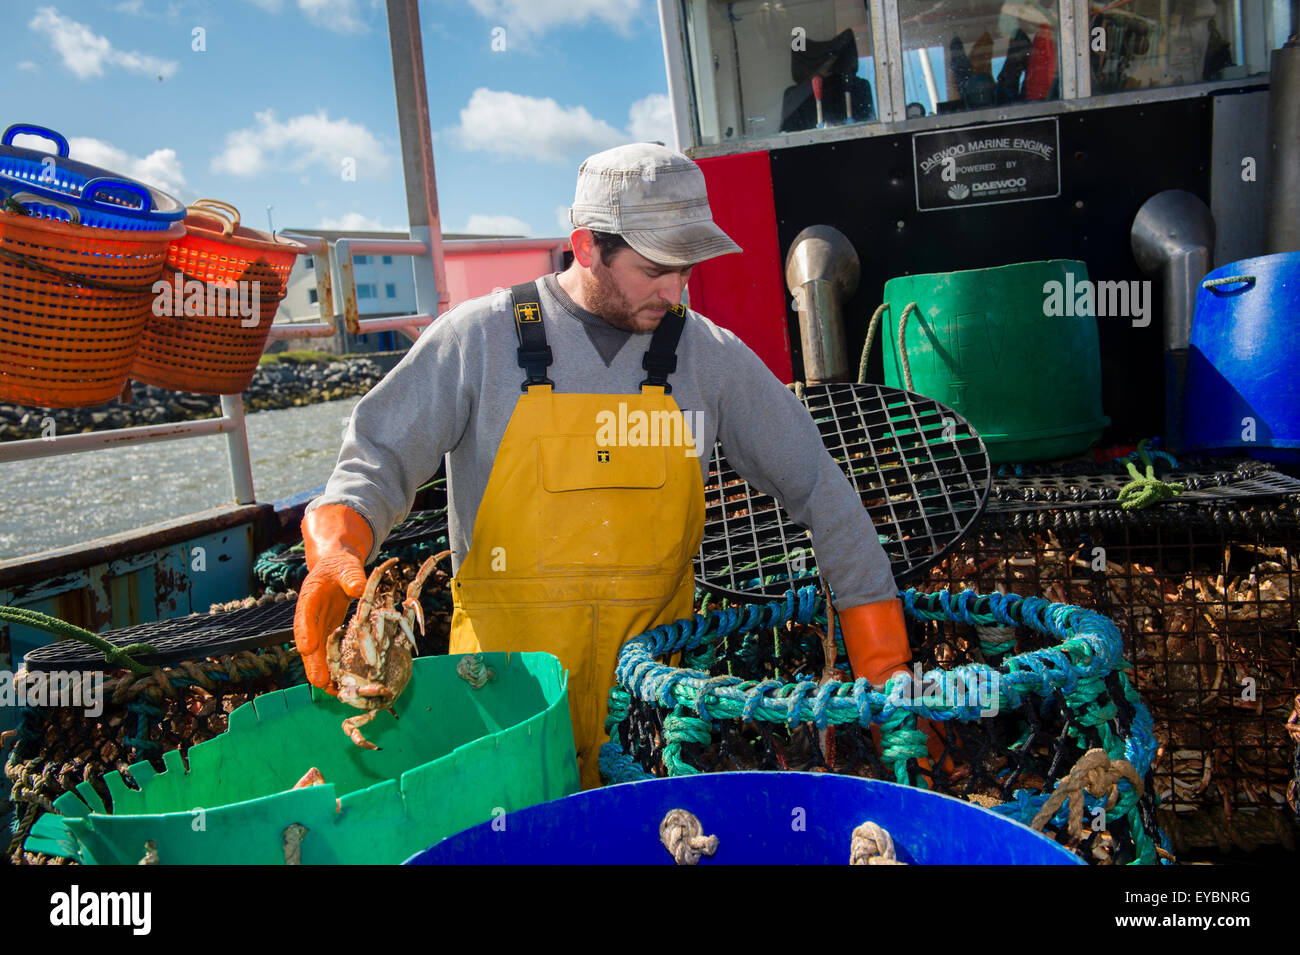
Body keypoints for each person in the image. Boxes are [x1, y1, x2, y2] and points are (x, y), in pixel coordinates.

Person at [293, 143, 912, 789]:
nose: (675, 292)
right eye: (653, 270)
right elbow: (376, 459)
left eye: (685, 270)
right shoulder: (478, 340)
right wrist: (338, 544)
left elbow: (821, 488)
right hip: (505, 710)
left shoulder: (711, 358)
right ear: (585, 246)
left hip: (650, 719)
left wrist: (884, 667)